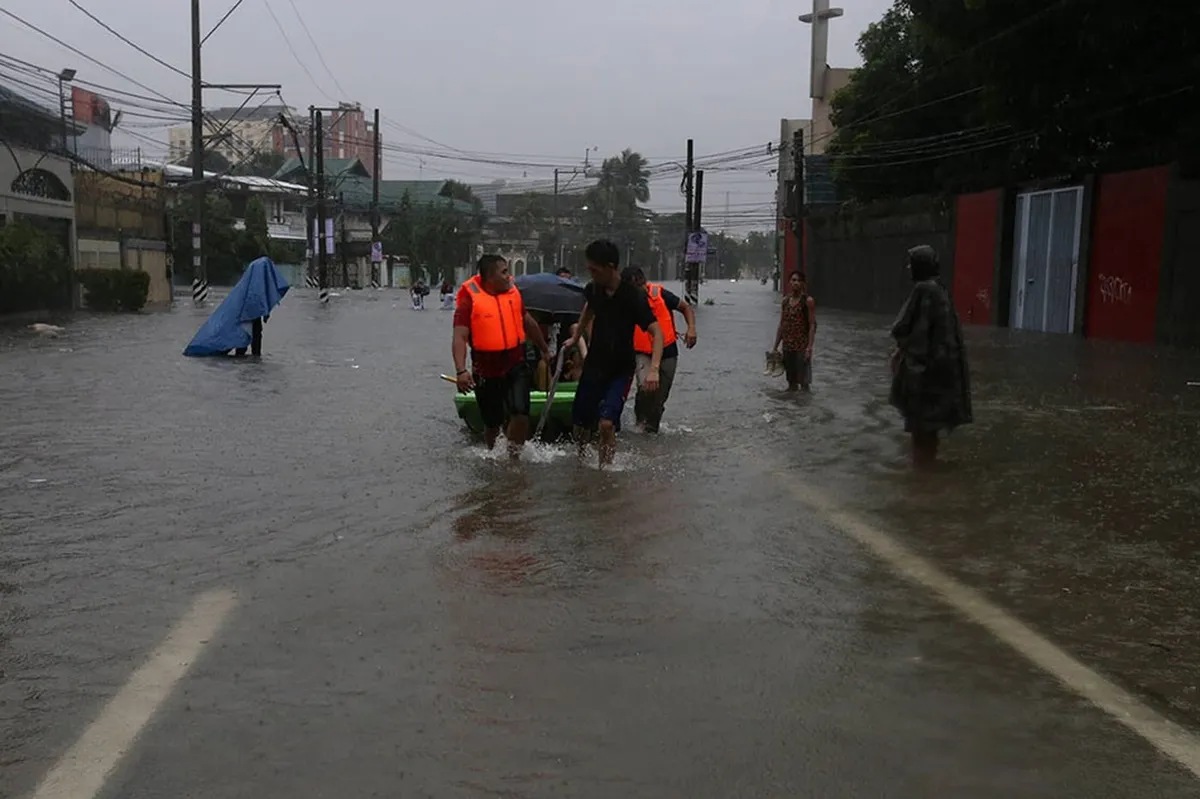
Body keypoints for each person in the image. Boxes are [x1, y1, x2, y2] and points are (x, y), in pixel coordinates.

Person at [560, 240, 663, 467]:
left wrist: (654, 370)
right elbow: (589, 309)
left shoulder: (633, 296)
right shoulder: (593, 289)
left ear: (610, 267)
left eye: (595, 270)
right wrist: (576, 338)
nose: (591, 274)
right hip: (595, 365)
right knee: (581, 424)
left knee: (607, 423)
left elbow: (657, 332)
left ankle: (605, 470)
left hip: (621, 369)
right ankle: (581, 466)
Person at [452, 255, 550, 456]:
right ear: (490, 277)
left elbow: (528, 322)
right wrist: (461, 371)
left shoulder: (513, 294)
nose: (509, 276)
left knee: (520, 414)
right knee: (492, 424)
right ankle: (494, 458)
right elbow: (459, 337)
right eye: (504, 272)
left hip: (516, 364)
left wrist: (544, 349)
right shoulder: (469, 301)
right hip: (486, 369)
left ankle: (513, 460)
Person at [889, 244, 973, 467]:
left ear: (920, 266)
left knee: (920, 428)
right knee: (929, 429)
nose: (908, 268)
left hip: (925, 375)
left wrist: (901, 355)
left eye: (911, 264)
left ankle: (921, 475)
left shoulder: (923, 290)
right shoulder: (940, 290)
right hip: (942, 373)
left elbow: (905, 328)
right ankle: (928, 471)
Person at [621, 266, 697, 433]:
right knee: (646, 387)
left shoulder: (661, 294)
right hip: (642, 353)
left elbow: (685, 308)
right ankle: (640, 422)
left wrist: (691, 328)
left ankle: (651, 430)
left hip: (668, 351)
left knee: (660, 397)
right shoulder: (624, 301)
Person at [771, 272, 817, 391]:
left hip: (801, 347)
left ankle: (804, 403)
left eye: (798, 280)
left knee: (804, 384)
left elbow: (812, 325)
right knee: (791, 384)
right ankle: (791, 402)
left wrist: (809, 348)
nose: (796, 283)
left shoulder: (807, 301)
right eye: (793, 280)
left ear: (803, 284)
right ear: (789, 283)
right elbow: (782, 325)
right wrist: (775, 347)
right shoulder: (785, 301)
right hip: (788, 347)